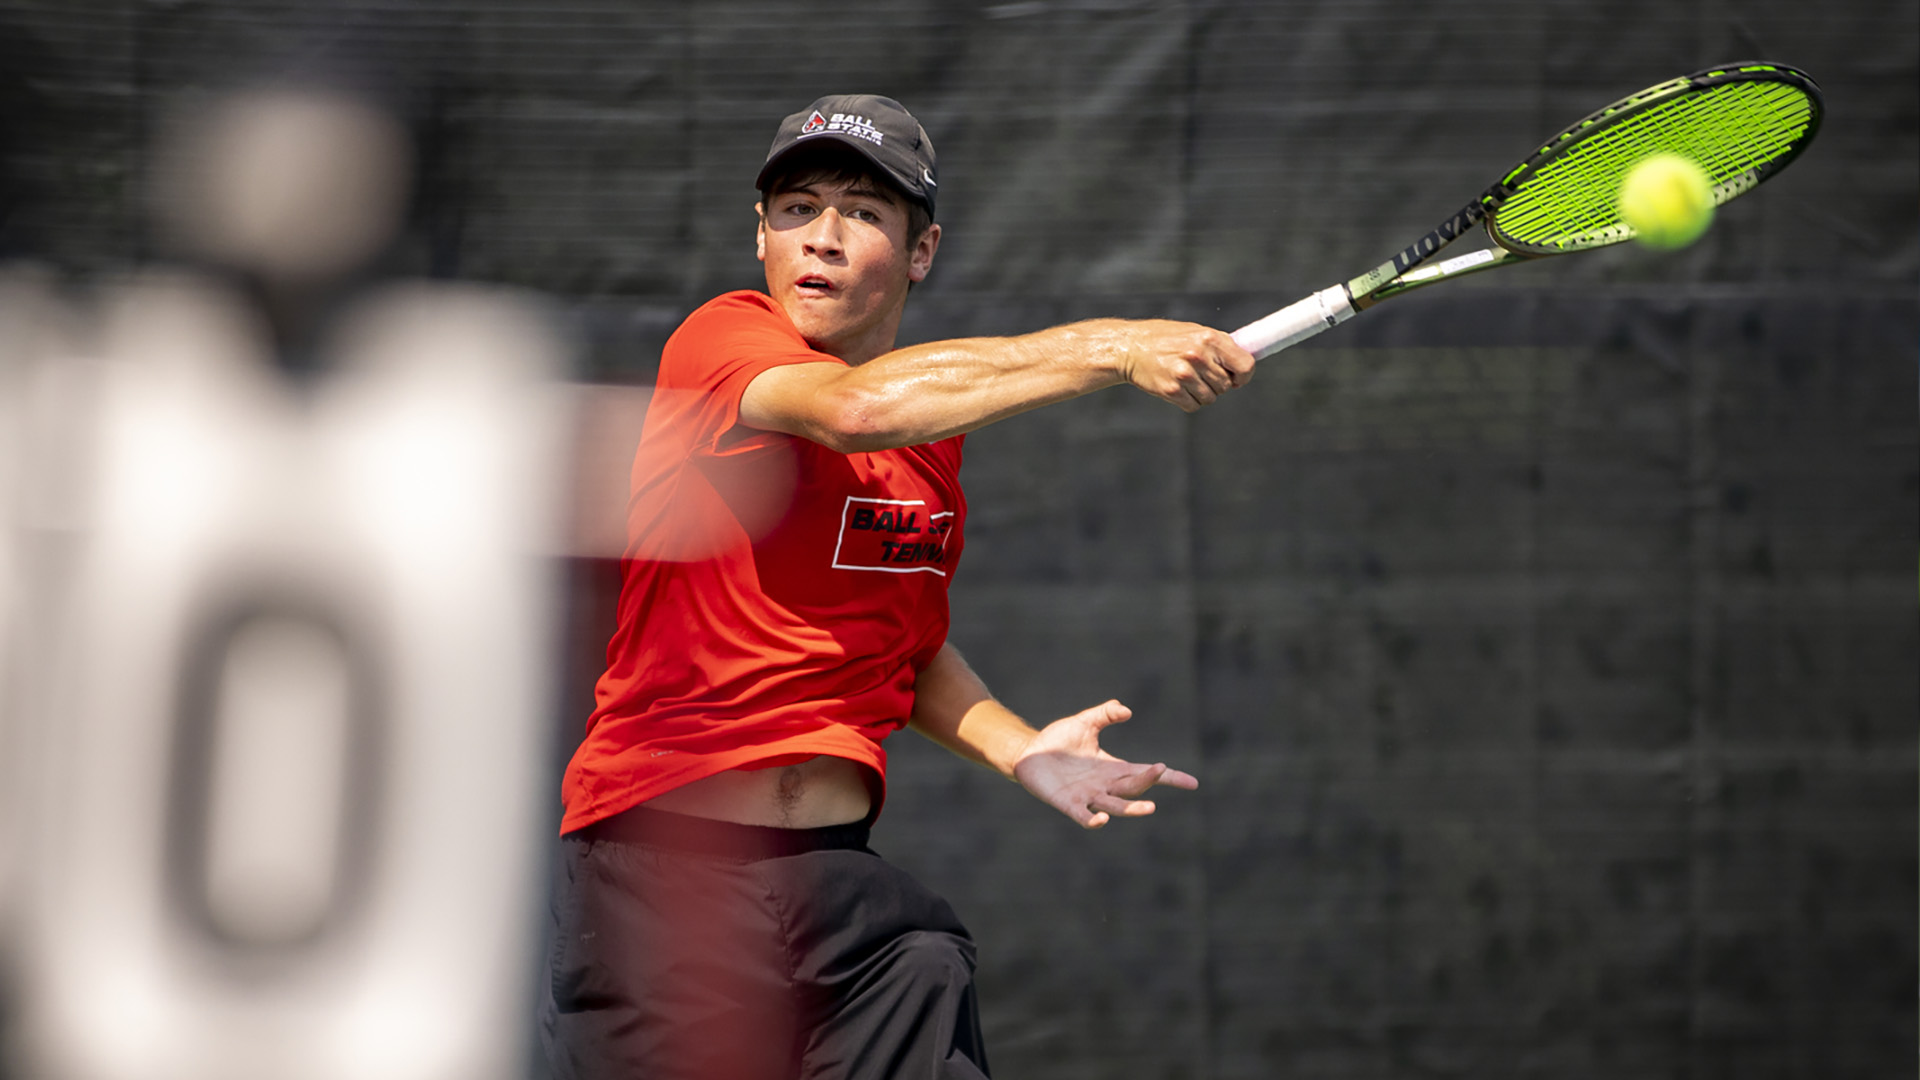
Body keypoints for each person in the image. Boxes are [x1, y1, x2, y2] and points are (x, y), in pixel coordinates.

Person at [540, 93, 1255, 1080]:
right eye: (797, 209)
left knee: (924, 961)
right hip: (665, 874)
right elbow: (856, 408)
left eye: (864, 214)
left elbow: (905, 647)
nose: (823, 237)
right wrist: (1113, 345)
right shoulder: (722, 343)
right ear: (761, 237)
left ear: (921, 253)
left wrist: (1024, 751)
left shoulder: (931, 443)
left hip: (838, 892)